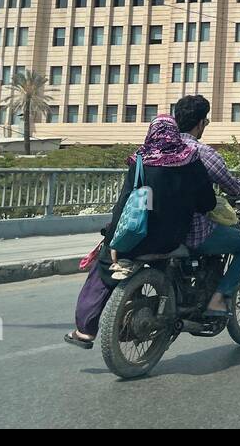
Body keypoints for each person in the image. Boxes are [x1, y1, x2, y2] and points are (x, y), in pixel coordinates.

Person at [65, 114, 216, 348]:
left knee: (104, 267)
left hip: (139, 238)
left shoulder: (140, 160)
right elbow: (208, 203)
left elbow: (126, 203)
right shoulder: (191, 159)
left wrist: (112, 240)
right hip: (173, 239)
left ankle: (85, 330)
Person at [169, 94, 240, 319]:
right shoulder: (202, 153)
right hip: (191, 233)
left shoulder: (155, 149)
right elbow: (230, 184)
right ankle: (218, 300)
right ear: (201, 123)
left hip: (156, 229)